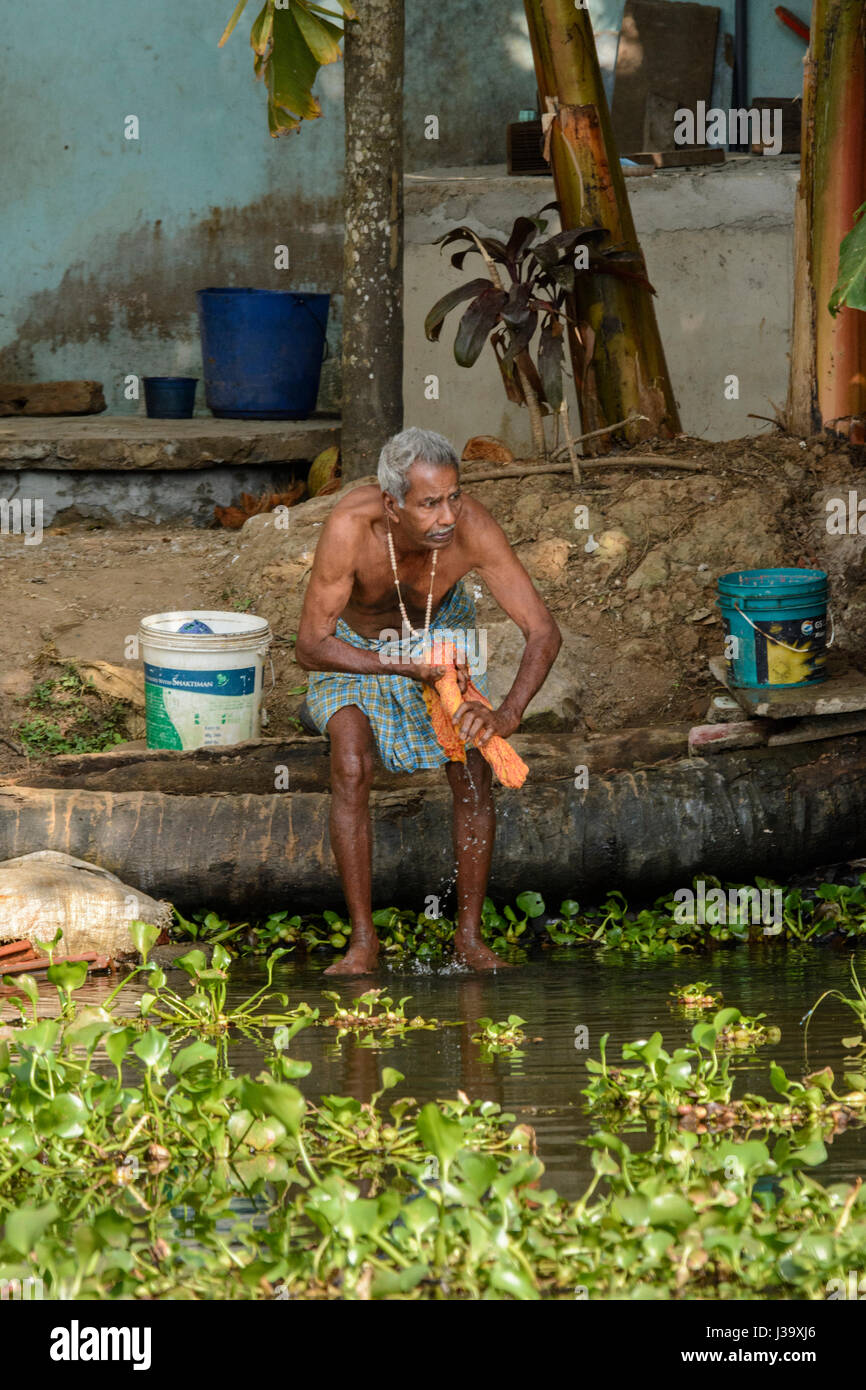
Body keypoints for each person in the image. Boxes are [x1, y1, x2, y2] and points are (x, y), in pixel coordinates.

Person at [295, 427, 562, 974]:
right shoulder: (350, 526)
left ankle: (468, 939)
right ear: (392, 505)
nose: (447, 517)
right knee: (349, 761)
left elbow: (543, 630)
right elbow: (310, 646)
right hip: (357, 651)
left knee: (473, 763)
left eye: (453, 497)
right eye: (430, 504)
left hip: (443, 640)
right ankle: (363, 943)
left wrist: (506, 715)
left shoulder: (473, 529)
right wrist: (397, 665)